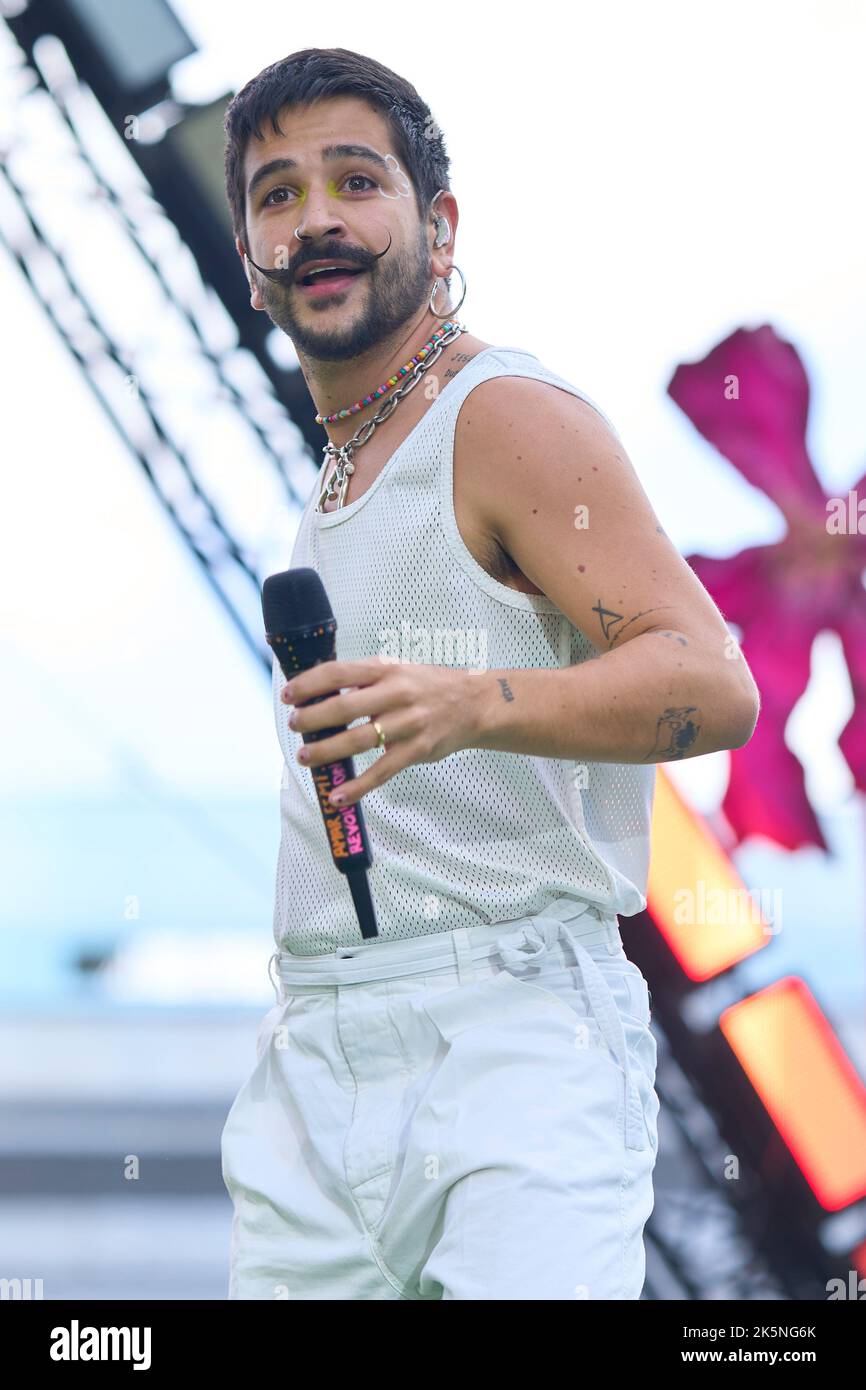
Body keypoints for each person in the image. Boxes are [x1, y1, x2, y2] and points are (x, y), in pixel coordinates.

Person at [218, 47, 761, 1300]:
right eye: (277, 195)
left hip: (510, 1036)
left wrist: (475, 704)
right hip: (317, 1055)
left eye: (355, 180)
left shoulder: (503, 415)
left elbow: (710, 681)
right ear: (251, 257)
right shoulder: (345, 466)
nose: (316, 222)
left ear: (438, 223)